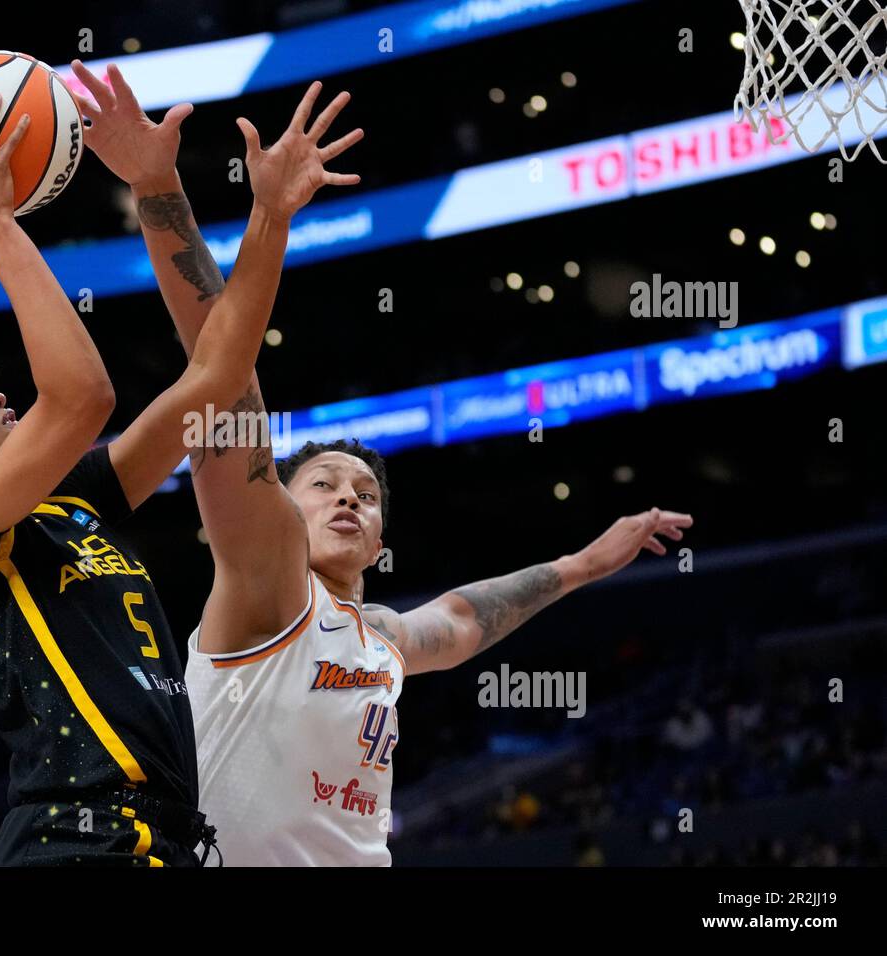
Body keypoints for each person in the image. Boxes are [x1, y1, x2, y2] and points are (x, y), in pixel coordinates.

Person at [67, 62, 694, 865]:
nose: (347, 500)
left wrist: (578, 565)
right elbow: (223, 378)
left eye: (364, 495)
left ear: (380, 535)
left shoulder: (382, 640)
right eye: (321, 484)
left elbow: (465, 620)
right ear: (280, 509)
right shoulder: (267, 593)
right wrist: (170, 192)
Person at [0, 78, 358, 865]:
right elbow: (81, 398)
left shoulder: (66, 507)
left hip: (150, 840)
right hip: (73, 840)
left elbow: (219, 384)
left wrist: (229, 206)